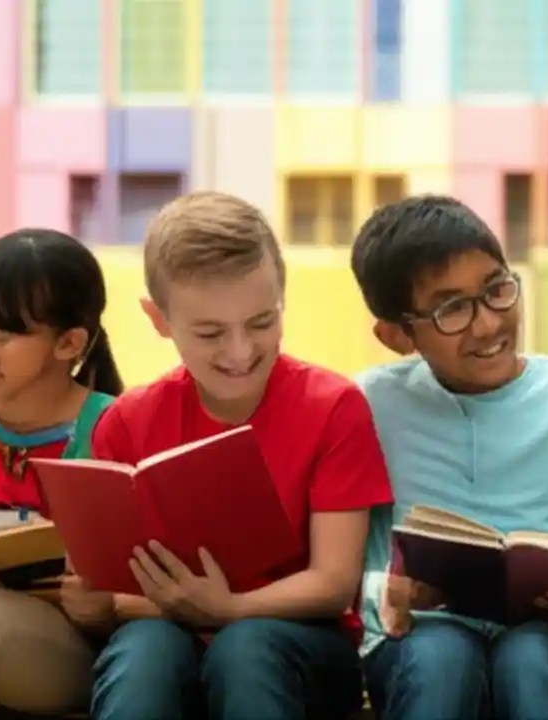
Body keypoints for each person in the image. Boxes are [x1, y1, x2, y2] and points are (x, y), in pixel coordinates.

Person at [59, 192, 394, 720]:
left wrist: (229, 609)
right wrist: (95, 607)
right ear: (158, 318)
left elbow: (333, 585)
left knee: (245, 649)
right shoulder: (126, 422)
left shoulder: (333, 407)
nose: (239, 352)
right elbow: (114, 593)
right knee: (146, 652)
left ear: (283, 300)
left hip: (301, 645)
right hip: (165, 636)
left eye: (261, 323)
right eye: (211, 333)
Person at [351, 195, 548, 720]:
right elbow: (363, 567)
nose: (488, 325)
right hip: (422, 643)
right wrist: (395, 589)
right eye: (452, 309)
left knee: (528, 656)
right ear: (397, 335)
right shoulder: (374, 402)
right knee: (442, 655)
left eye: (496, 290)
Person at [0, 229, 121, 715]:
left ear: (68, 343)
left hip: (77, 648)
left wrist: (103, 606)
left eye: (5, 333)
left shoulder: (115, 431)